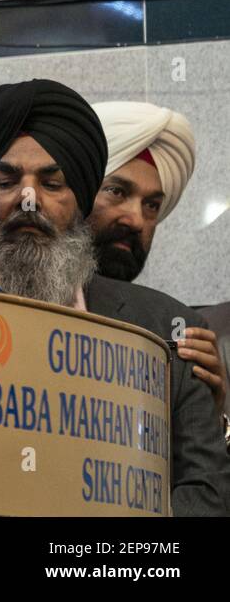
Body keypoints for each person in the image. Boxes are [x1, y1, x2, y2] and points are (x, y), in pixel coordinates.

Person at [0, 79, 230, 515]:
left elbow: (206, 491)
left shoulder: (168, 330)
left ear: (80, 203)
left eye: (52, 183)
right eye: (6, 181)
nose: (29, 200)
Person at [87, 101, 224, 416]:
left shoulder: (173, 330)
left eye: (151, 205)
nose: (136, 219)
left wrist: (206, 410)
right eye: (117, 192)